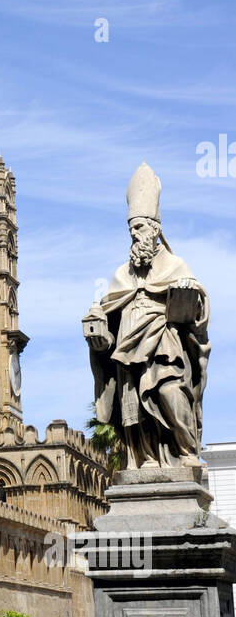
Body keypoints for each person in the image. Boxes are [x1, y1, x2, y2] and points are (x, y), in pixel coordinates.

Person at [82, 163, 209, 470]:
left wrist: (191, 295)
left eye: (139, 228)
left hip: (165, 347)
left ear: (154, 230)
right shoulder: (121, 275)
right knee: (133, 407)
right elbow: (108, 317)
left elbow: (199, 310)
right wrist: (98, 332)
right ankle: (146, 459)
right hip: (128, 352)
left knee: (170, 393)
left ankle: (186, 452)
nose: (133, 234)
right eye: (131, 229)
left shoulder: (175, 266)